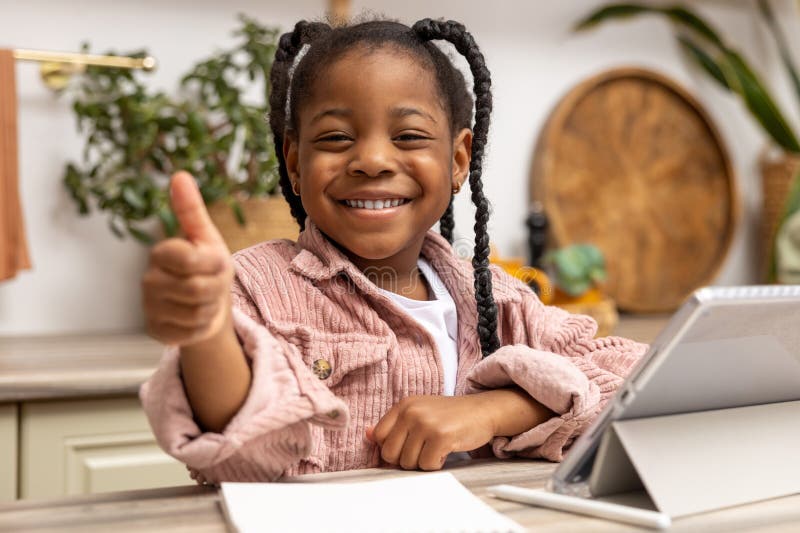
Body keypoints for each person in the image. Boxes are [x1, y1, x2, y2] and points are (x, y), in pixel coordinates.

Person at [140, 18, 647, 485]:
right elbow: (236, 451)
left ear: (457, 160)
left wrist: (499, 410)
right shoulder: (255, 288)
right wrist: (207, 333)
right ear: (295, 162)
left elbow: (637, 378)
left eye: (408, 136)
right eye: (336, 137)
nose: (373, 160)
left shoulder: (499, 301)